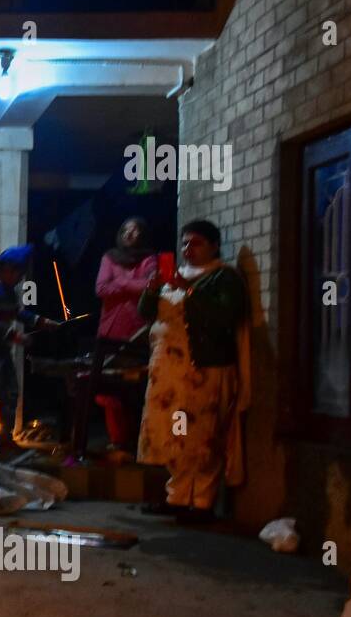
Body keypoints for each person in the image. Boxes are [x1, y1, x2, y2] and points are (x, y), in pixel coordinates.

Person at [137, 220, 250, 520]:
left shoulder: (223, 277)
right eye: (185, 243)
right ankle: (176, 496)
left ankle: (201, 501)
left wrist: (189, 291)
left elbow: (226, 315)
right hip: (168, 373)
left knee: (201, 436)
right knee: (173, 436)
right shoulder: (173, 277)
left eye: (196, 243)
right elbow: (146, 313)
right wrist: (151, 290)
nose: (188, 249)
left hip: (202, 371)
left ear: (213, 245)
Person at [0, 245, 58, 449]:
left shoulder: (7, 290)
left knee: (11, 392)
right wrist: (17, 337)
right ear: (7, 269)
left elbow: (17, 312)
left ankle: (4, 440)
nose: (20, 278)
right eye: (19, 273)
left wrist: (41, 321)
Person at [94, 217, 157, 457]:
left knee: (138, 386)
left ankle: (139, 440)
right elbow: (101, 289)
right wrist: (133, 284)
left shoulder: (149, 258)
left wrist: (119, 281)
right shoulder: (109, 257)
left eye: (136, 230)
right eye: (126, 230)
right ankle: (117, 439)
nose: (130, 234)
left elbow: (151, 286)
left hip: (138, 331)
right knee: (109, 386)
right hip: (111, 330)